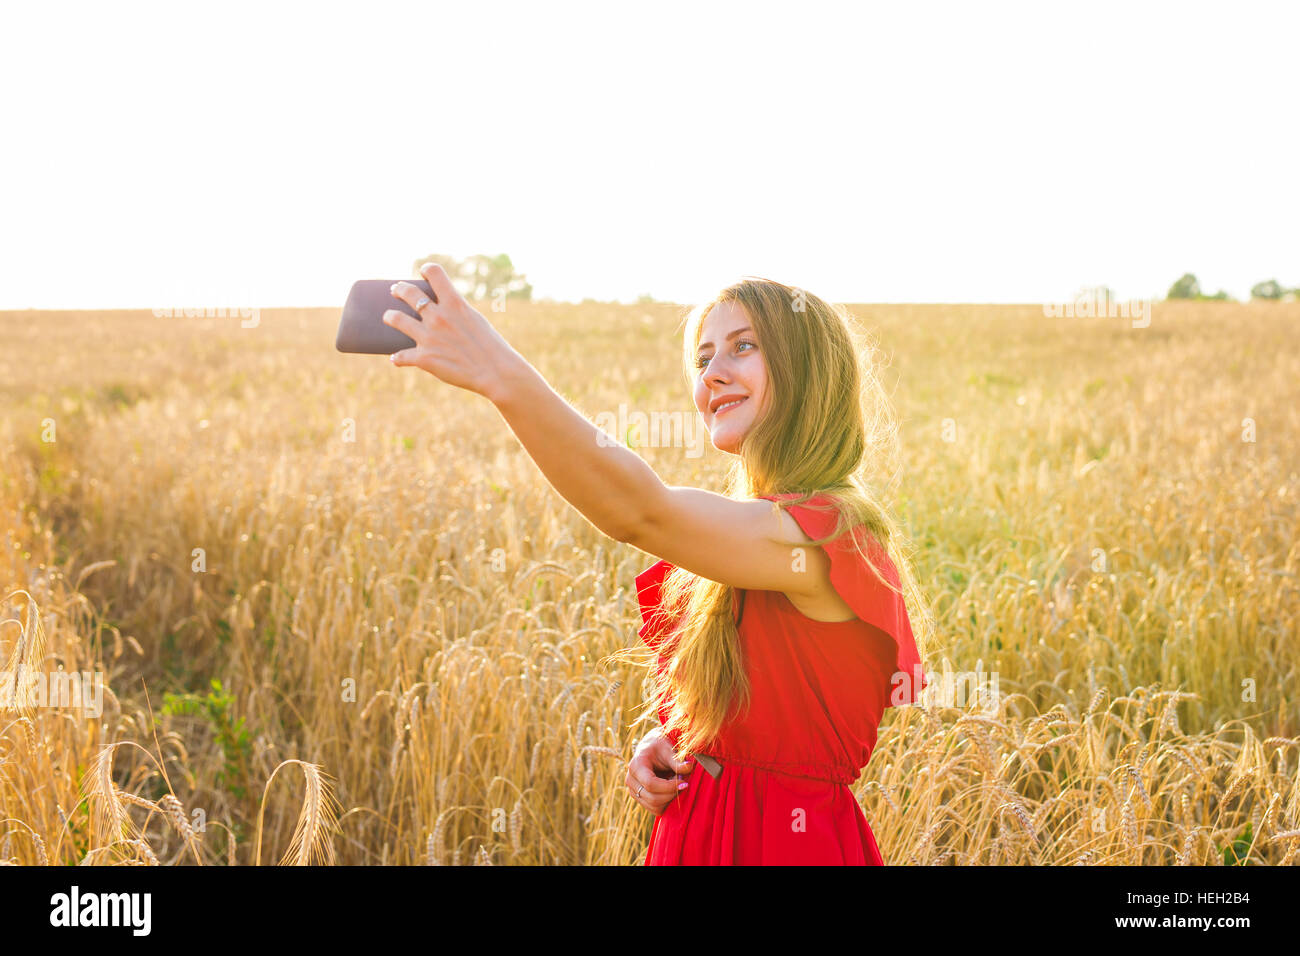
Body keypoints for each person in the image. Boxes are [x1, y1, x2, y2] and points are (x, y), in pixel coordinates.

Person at [384, 264, 931, 865]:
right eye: (702, 359)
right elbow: (769, 702)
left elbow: (640, 514)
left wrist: (498, 373)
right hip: (699, 834)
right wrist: (684, 741)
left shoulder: (832, 533)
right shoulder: (755, 530)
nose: (712, 375)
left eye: (743, 346)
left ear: (809, 371)